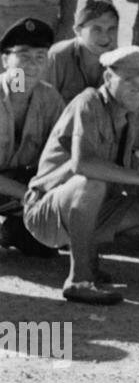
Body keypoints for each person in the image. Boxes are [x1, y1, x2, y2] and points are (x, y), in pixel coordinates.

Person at [23, 45, 139, 304]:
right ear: (108, 78)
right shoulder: (88, 102)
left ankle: (89, 256)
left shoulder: (137, 120)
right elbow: (83, 165)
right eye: (128, 79)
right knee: (94, 183)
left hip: (93, 211)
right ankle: (79, 279)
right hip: (46, 212)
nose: (138, 87)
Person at [0, 18, 65, 256]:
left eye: (40, 57)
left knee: (45, 248)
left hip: (17, 183)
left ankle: (13, 230)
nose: (32, 65)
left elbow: (61, 155)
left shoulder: (50, 99)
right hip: (16, 189)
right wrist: (30, 197)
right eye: (24, 56)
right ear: (6, 60)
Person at [45, 0, 119, 105]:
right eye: (96, 29)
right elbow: (44, 103)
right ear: (78, 30)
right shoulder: (59, 55)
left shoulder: (118, 60)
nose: (105, 36)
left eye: (111, 29)